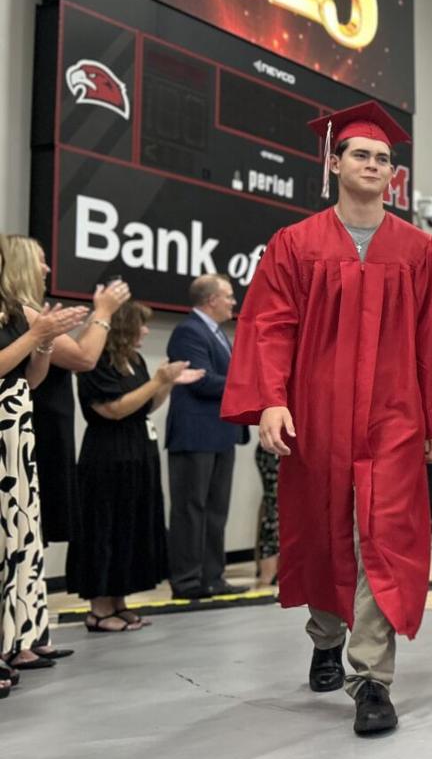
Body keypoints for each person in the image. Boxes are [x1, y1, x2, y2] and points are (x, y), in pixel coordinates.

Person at [222, 102, 432, 736]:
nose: (373, 165)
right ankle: (325, 634)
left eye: (383, 159)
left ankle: (372, 681)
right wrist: (272, 399)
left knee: (382, 539)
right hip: (316, 414)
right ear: (334, 163)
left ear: (395, 176)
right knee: (323, 531)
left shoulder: (418, 250)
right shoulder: (296, 243)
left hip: (392, 417)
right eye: (361, 155)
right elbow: (270, 327)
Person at [73, 302, 201, 634]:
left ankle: (119, 601)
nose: (145, 331)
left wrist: (168, 384)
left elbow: (145, 406)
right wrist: (157, 379)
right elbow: (113, 409)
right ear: (124, 327)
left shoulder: (135, 361)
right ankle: (99, 609)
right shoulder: (98, 361)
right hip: (107, 455)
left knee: (129, 528)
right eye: (141, 325)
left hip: (137, 452)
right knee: (105, 528)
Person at [0, 275, 87, 680]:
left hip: (16, 429)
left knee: (19, 541)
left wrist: (45, 343)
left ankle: (17, 640)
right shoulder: (22, 319)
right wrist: (37, 332)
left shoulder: (13, 311)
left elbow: (29, 380)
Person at [165, 274, 251, 600]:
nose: (233, 302)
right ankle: (187, 581)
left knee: (215, 511)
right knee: (190, 509)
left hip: (219, 434)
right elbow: (200, 381)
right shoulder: (189, 331)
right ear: (211, 299)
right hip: (195, 434)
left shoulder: (215, 333)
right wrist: (247, 383)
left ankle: (212, 577)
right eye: (228, 296)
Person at [254, 444, 280, 587]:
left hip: (282, 443)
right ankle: (267, 572)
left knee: (271, 503)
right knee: (273, 504)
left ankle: (266, 569)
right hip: (276, 446)